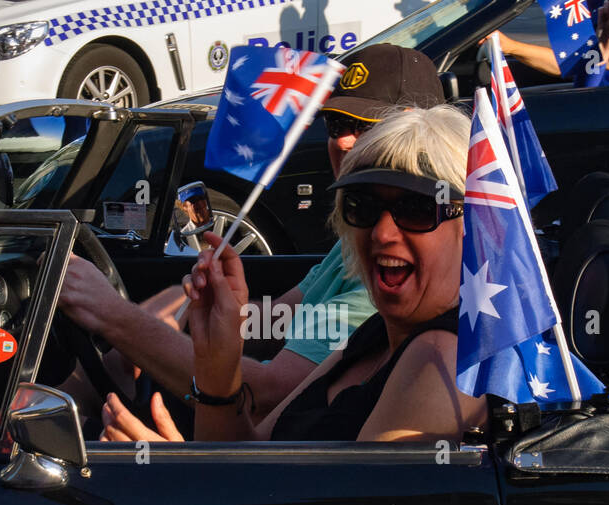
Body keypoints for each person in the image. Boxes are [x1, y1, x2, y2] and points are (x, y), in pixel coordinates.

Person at [56, 43, 444, 425]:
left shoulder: (396, 274)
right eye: (337, 125)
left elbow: (269, 395)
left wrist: (111, 315)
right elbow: (281, 318)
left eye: (367, 128)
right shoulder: (356, 240)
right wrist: (188, 311)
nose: (344, 141)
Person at [102, 105, 487, 444]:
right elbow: (251, 452)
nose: (383, 233)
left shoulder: (443, 355)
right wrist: (218, 366)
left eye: (417, 209)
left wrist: (179, 474)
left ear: (473, 224)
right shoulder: (374, 337)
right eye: (363, 206)